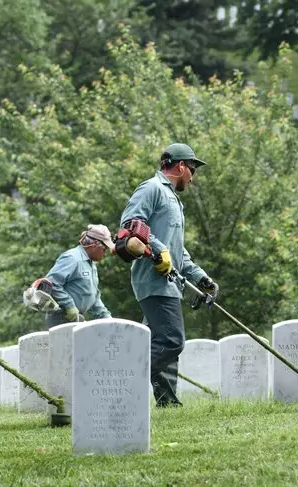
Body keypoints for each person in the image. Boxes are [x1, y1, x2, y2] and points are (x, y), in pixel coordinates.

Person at [119, 143, 218, 407]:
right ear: (181, 166)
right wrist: (159, 249)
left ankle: (168, 404)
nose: (193, 177)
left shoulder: (173, 200)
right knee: (172, 341)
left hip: (170, 283)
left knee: (161, 346)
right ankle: (120, 379)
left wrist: (200, 277)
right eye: (193, 170)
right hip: (153, 281)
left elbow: (177, 251)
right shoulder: (151, 188)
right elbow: (130, 225)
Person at [40, 224, 114, 327]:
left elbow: (93, 296)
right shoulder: (73, 258)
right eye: (104, 248)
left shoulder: (91, 265)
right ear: (95, 244)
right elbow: (51, 282)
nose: (105, 253)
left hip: (75, 319)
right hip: (61, 318)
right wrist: (69, 305)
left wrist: (106, 317)